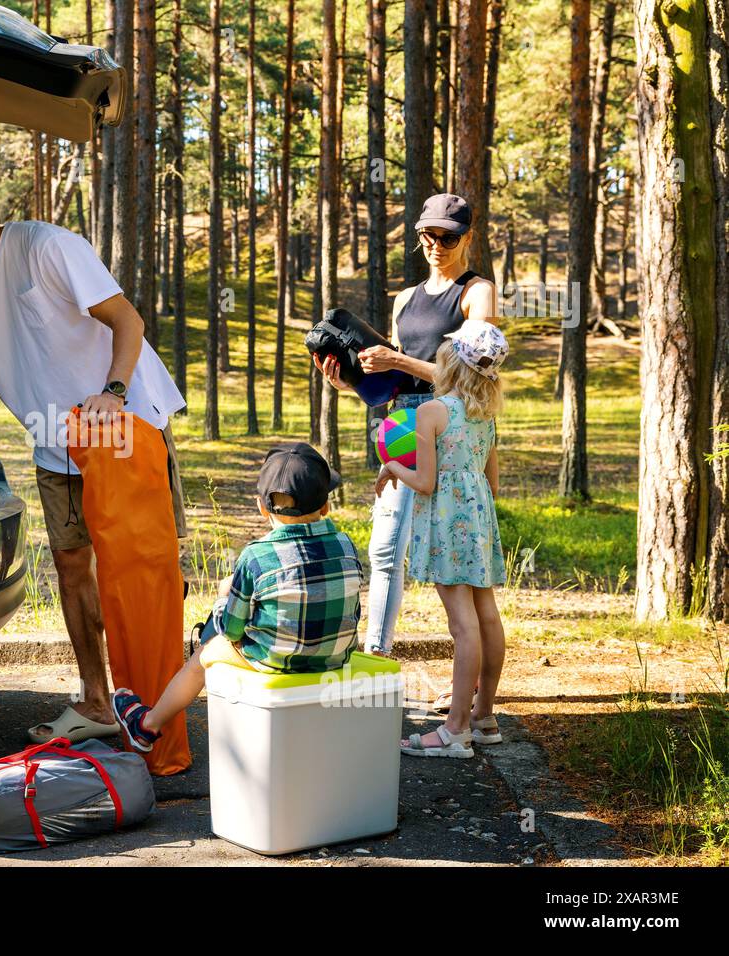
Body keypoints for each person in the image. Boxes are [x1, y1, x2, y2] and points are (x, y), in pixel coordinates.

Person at [0, 176, 188, 743]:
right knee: (72, 569)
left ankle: (160, 709)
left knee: (142, 572)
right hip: (56, 444)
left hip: (126, 429)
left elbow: (128, 320)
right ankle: (98, 702)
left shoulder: (45, 247)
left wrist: (113, 392)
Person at [314, 193, 497, 674]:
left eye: (448, 238)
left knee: (459, 567)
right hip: (401, 421)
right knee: (386, 548)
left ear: (467, 238)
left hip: (451, 421)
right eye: (428, 235)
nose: (436, 245)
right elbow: (394, 383)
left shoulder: (476, 292)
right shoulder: (404, 300)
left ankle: (472, 693)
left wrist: (396, 358)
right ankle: (377, 653)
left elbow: (475, 375)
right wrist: (350, 381)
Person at [110, 443, 362, 752]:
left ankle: (147, 726)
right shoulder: (346, 544)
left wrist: (222, 598)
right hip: (335, 658)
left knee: (204, 655)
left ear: (262, 508)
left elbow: (231, 630)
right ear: (325, 508)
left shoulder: (256, 556)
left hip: (275, 663)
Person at [375, 320, 508, 758]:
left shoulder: (433, 411)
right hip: (479, 521)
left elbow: (426, 483)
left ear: (451, 361)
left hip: (447, 526)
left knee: (462, 626)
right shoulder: (484, 414)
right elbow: (492, 482)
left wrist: (393, 467)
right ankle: (483, 718)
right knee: (486, 616)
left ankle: (455, 730)